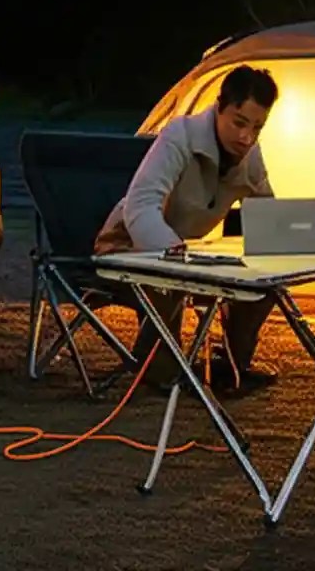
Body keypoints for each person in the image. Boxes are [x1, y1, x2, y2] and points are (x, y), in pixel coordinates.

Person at [94, 65, 281, 395]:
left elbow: (269, 214)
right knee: (169, 281)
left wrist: (292, 241)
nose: (246, 137)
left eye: (257, 127)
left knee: (265, 285)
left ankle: (231, 368)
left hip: (190, 250)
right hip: (126, 244)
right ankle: (161, 373)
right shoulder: (180, 135)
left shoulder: (249, 155)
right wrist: (171, 253)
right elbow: (141, 206)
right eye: (239, 123)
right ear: (220, 106)